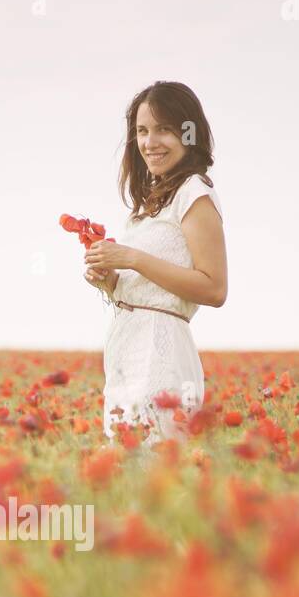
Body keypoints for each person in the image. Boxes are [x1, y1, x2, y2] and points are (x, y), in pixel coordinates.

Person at [84, 81, 228, 445]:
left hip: (161, 350)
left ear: (188, 132)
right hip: (126, 346)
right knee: (125, 469)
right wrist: (111, 280)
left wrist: (132, 258)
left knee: (153, 462)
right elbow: (151, 285)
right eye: (142, 131)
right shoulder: (148, 206)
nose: (151, 142)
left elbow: (214, 288)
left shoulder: (195, 193)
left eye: (164, 129)